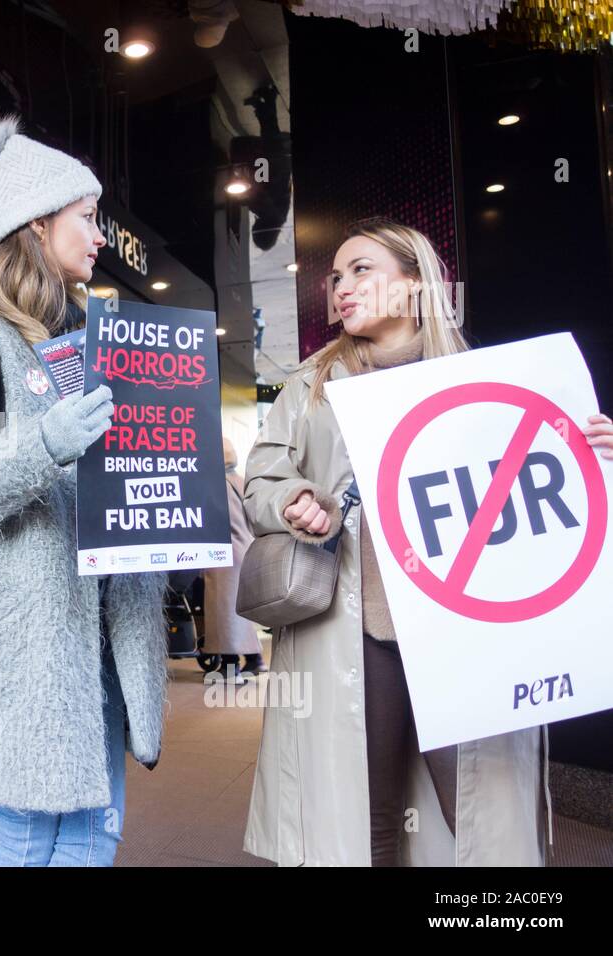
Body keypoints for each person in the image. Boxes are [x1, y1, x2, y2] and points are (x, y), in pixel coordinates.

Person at [241, 216, 613, 866]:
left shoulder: (487, 379)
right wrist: (290, 500)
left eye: (363, 270)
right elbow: (264, 475)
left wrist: (593, 455)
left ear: (415, 284)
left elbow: (536, 492)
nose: (341, 288)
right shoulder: (311, 384)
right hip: (358, 628)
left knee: (477, 814)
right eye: (336, 276)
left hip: (463, 630)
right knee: (368, 816)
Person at [0, 112, 169, 867]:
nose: (98, 237)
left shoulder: (105, 347)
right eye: (85, 219)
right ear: (33, 225)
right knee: (29, 833)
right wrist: (44, 445)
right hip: (25, 641)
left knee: (96, 831)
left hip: (105, 634)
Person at [201, 437, 263, 682]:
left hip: (226, 555)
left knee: (224, 613)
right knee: (240, 613)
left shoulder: (217, 485)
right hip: (246, 550)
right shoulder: (241, 480)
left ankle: (230, 668)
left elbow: (216, 522)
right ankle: (255, 660)